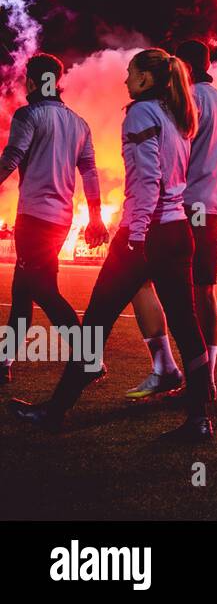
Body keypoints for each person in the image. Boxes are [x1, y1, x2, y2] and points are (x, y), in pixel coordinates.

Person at [9, 49, 215, 441]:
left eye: (130, 73)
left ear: (146, 79)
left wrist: (135, 235)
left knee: (96, 323)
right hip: (177, 231)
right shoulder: (176, 115)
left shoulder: (140, 113)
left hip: (146, 234)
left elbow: (148, 179)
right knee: (187, 327)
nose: (124, 80)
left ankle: (55, 412)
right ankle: (199, 419)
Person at [126, 40, 217, 399]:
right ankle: (207, 380)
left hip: (182, 207)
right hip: (215, 205)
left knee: (138, 281)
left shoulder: (190, 100)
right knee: (204, 292)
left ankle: (165, 368)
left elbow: (173, 155)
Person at [0, 53, 109, 384]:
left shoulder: (28, 114)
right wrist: (95, 217)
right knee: (23, 291)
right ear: (57, 82)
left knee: (42, 290)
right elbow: (89, 171)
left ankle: (89, 358)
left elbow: (12, 156)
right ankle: (4, 359)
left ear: (32, 82)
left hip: (33, 217)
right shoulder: (78, 123)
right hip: (60, 218)